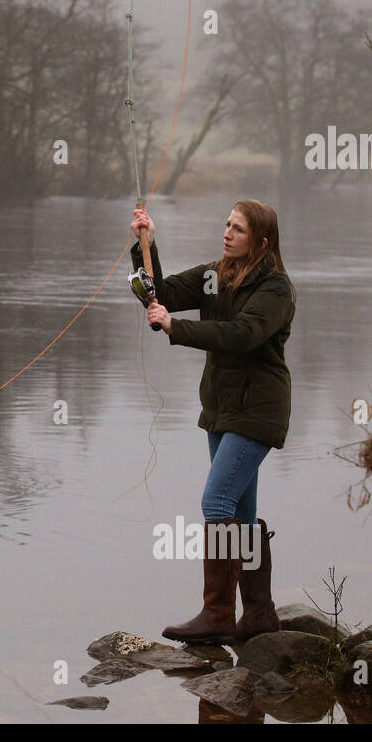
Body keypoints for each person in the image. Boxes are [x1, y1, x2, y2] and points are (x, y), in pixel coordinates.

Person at [129, 200, 296, 645]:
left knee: (216, 504)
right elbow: (158, 292)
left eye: (238, 229)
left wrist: (175, 329)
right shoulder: (214, 275)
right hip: (222, 410)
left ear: (260, 242)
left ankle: (218, 615)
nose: (227, 233)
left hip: (258, 410)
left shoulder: (275, 288)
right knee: (241, 514)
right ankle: (259, 615)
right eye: (226, 224)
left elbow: (242, 334)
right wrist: (144, 243)